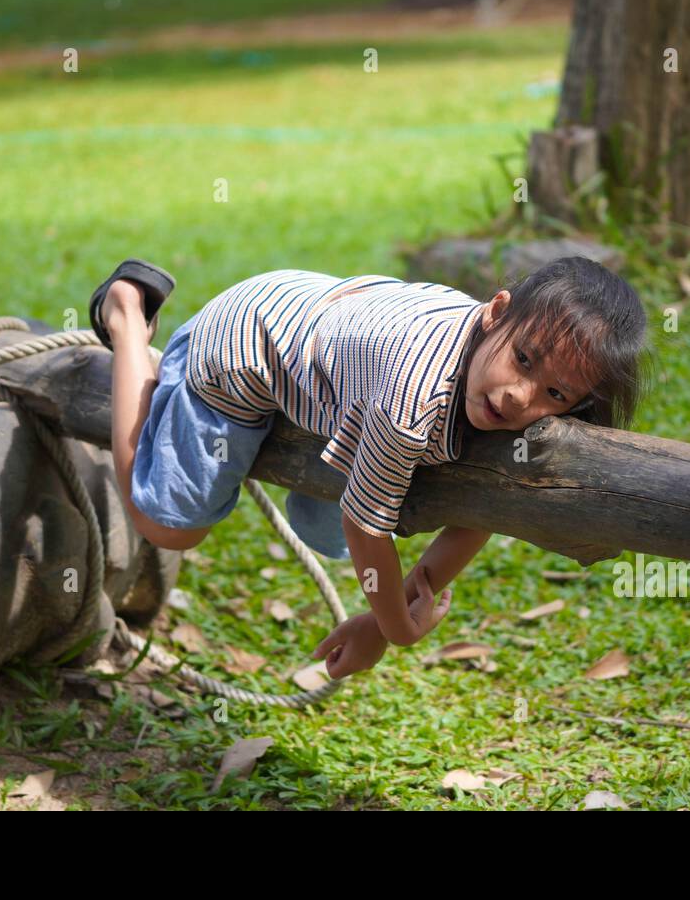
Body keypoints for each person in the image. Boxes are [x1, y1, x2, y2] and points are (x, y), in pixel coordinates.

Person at [93, 257, 651, 680]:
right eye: (522, 360)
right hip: (241, 344)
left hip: (319, 321)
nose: (516, 395)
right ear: (496, 313)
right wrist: (395, 630)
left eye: (553, 391)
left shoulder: (499, 388)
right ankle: (127, 318)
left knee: (335, 527)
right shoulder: (412, 400)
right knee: (168, 526)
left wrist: (384, 616)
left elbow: (483, 507)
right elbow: (366, 523)